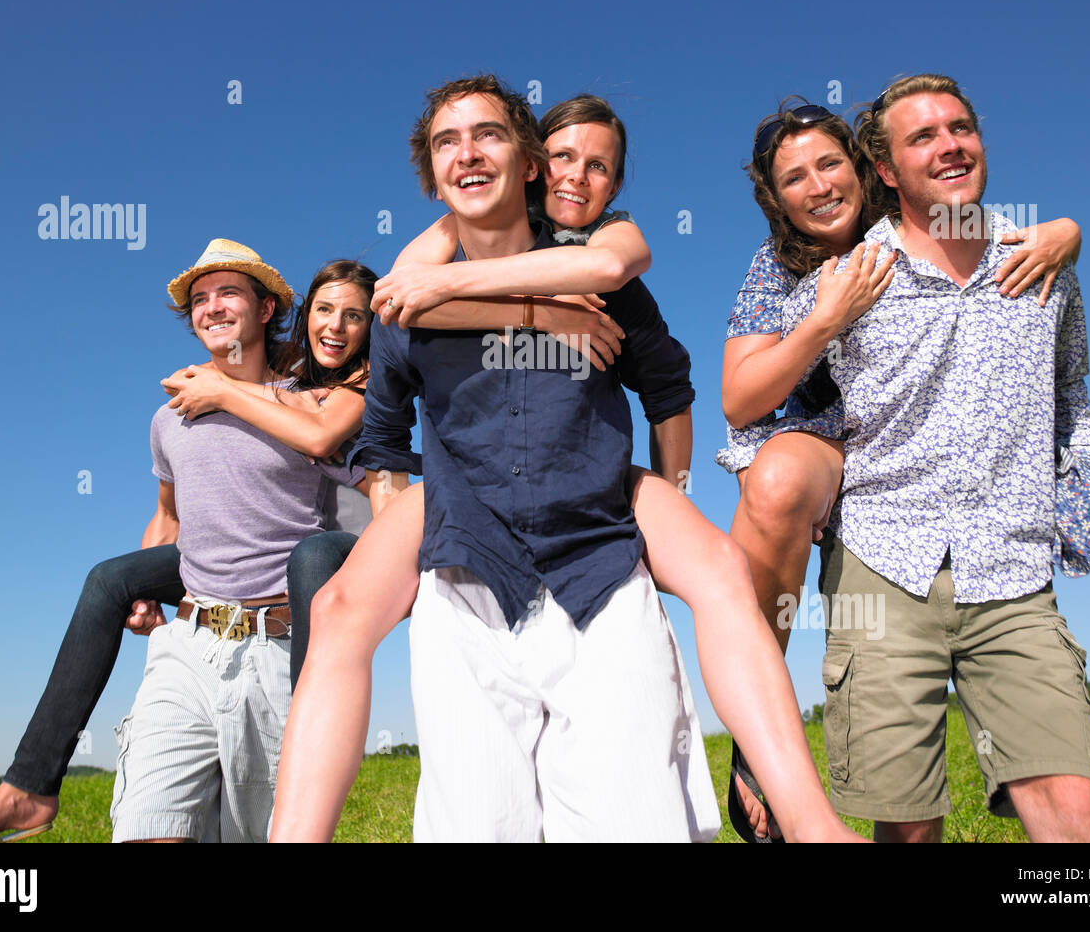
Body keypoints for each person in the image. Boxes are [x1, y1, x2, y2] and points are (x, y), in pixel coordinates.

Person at [272, 79, 859, 842]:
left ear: (525, 168)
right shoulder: (407, 293)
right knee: (342, 610)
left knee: (717, 575)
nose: (467, 153)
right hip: (466, 529)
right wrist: (404, 528)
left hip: (594, 522)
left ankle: (812, 822)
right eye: (447, 142)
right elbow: (384, 433)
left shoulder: (598, 271)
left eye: (487, 135)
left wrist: (665, 488)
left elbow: (666, 380)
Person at [723, 93, 1090, 824]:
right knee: (780, 484)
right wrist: (825, 321)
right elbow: (741, 397)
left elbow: (1067, 379)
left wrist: (1067, 232)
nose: (817, 187)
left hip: (989, 478)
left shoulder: (999, 248)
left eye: (829, 164)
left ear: (865, 170)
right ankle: (759, 717)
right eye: (793, 179)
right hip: (838, 449)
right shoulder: (786, 268)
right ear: (775, 199)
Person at [0, 250, 376, 843]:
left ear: (268, 307)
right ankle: (28, 788)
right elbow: (167, 518)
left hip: (277, 645)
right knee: (151, 824)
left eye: (228, 293)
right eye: (199, 299)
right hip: (191, 644)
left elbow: (371, 481)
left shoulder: (309, 401)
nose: (211, 307)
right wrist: (146, 593)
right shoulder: (170, 416)